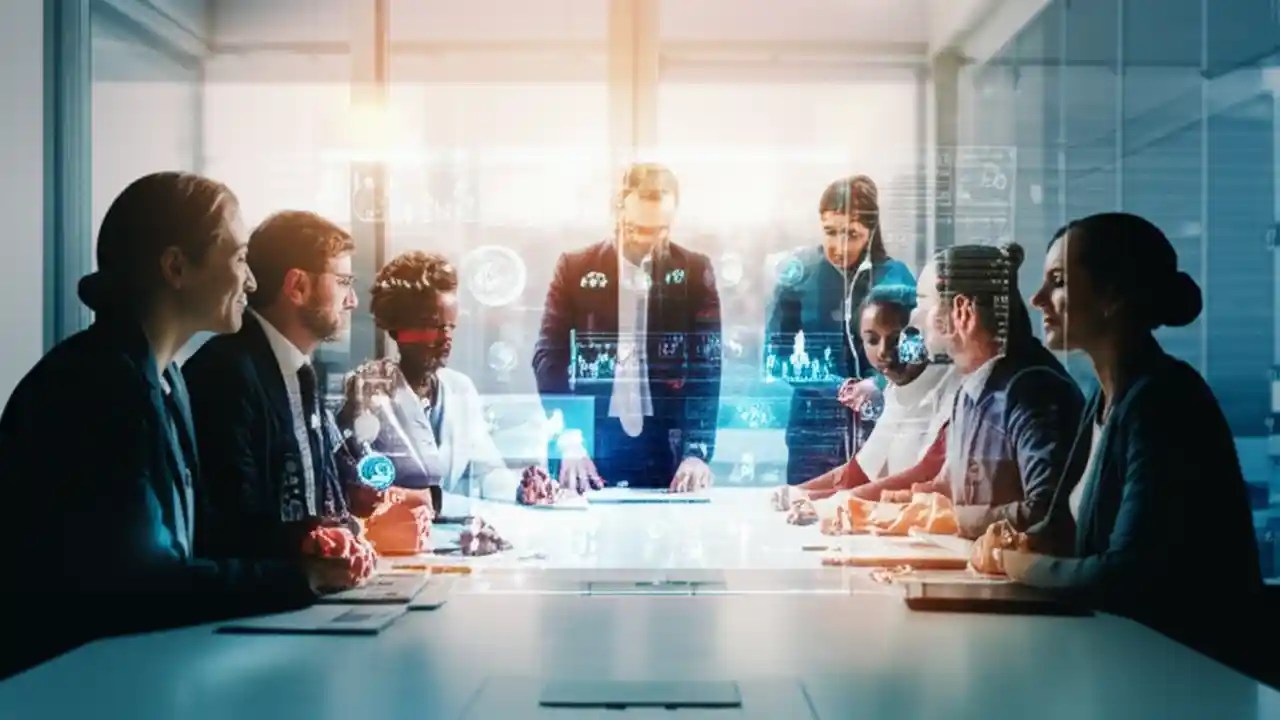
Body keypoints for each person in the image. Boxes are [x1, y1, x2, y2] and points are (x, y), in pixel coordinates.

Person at [0, 174, 364, 679]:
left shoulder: (163, 379)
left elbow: (196, 540)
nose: (252, 282)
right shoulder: (97, 387)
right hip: (64, 686)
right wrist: (299, 578)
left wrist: (298, 544)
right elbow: (140, 583)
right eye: (239, 260)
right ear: (176, 267)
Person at [971, 213, 1262, 671]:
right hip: (1123, 657)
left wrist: (1015, 563)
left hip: (1190, 676)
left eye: (1059, 282)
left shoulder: (1164, 402)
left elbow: (1123, 576)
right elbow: (1062, 530)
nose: (1037, 298)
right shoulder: (1103, 398)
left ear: (1112, 295)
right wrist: (1015, 541)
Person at [184, 211, 426, 560]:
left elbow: (317, 502)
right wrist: (341, 546)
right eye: (344, 281)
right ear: (297, 286)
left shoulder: (296, 372)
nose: (353, 300)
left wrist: (366, 519)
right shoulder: (226, 375)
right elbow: (237, 526)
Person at [851, 243, 1084, 538]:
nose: (914, 319)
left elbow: (1046, 513)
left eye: (923, 303)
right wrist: (887, 506)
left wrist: (948, 517)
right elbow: (951, 488)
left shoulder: (1032, 392)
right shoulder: (971, 388)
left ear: (962, 310)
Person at [532, 163, 721, 492]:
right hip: (588, 441)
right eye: (637, 228)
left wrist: (697, 451)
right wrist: (568, 439)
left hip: (667, 445)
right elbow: (549, 359)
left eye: (661, 229)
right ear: (616, 213)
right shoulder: (575, 268)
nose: (649, 241)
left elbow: (707, 366)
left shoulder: (693, 269)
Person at [339, 251, 539, 516]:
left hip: (450, 543)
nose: (446, 338)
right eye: (433, 326)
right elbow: (358, 492)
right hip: (389, 541)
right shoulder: (367, 389)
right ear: (397, 328)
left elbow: (487, 470)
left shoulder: (459, 388)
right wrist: (429, 502)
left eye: (450, 327)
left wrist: (520, 487)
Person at [766, 175, 916, 486]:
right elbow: (774, 356)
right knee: (805, 519)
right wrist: (836, 386)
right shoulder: (800, 273)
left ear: (871, 233)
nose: (839, 246)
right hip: (812, 431)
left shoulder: (895, 277)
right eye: (830, 232)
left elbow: (918, 351)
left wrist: (877, 384)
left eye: (852, 234)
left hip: (883, 427)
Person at [772, 282, 960, 508]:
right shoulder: (895, 389)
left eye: (896, 340)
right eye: (872, 340)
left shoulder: (952, 391)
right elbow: (859, 470)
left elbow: (923, 475)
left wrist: (824, 502)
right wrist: (796, 492)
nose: (883, 352)